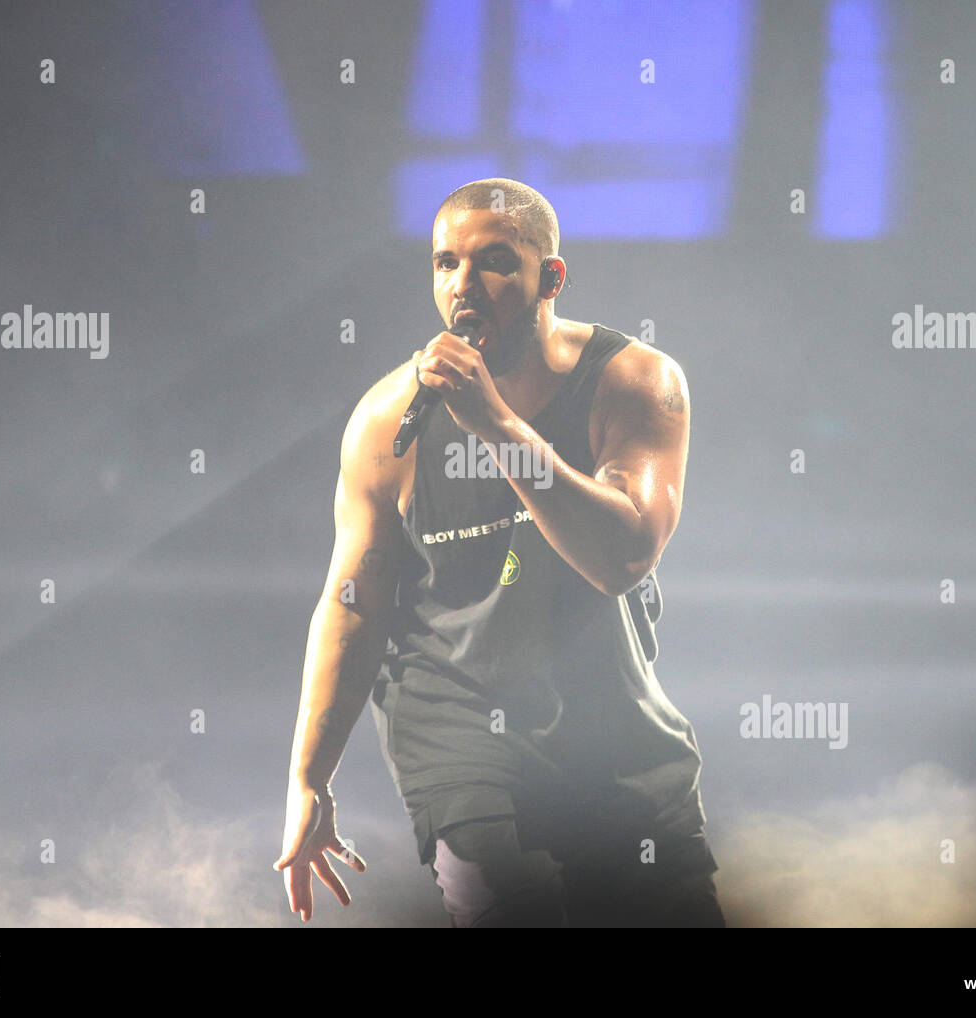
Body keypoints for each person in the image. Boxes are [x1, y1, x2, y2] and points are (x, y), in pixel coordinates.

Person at [274, 178, 724, 927]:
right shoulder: (388, 423)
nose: (463, 287)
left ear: (551, 278)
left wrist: (496, 424)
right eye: (445, 263)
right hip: (459, 737)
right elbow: (353, 605)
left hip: (613, 738)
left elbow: (625, 555)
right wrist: (308, 780)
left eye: (492, 263)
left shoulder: (635, 381)